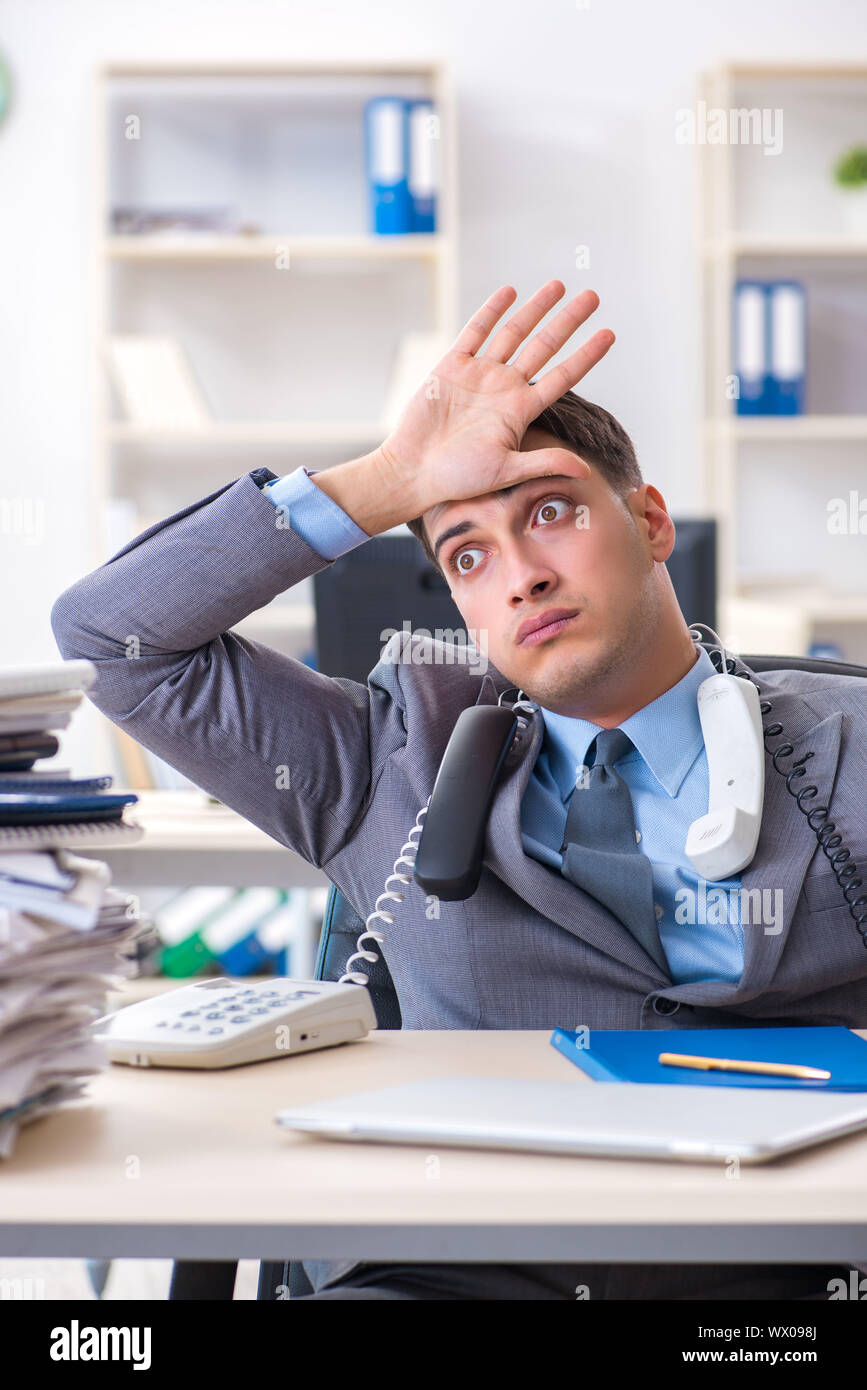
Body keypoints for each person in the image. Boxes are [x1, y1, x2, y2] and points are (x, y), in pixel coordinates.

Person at [51, 281, 867, 1300]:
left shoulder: (846, 747)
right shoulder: (386, 756)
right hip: (458, 1263)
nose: (519, 575)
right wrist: (388, 480)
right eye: (469, 555)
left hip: (776, 1265)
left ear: (652, 521)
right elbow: (112, 641)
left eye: (553, 512)